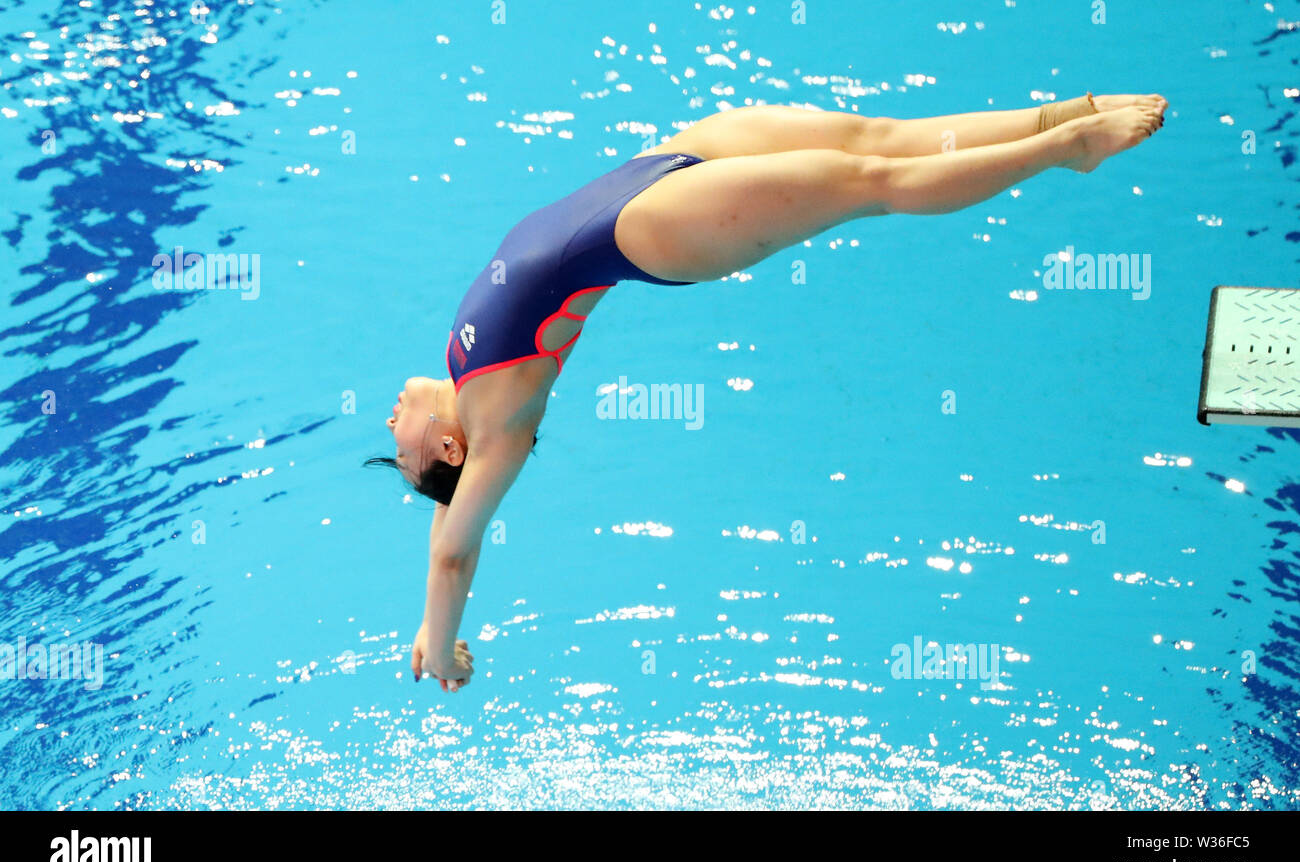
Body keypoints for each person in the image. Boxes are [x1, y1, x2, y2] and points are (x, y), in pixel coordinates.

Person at [367, 92, 1168, 692]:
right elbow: (455, 545)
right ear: (447, 446)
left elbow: (446, 515)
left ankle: (1063, 114)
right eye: (398, 452)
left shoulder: (461, 377)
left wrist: (427, 619)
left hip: (663, 165)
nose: (386, 422)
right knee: (874, 180)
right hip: (657, 229)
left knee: (875, 138)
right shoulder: (497, 422)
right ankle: (1070, 147)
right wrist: (441, 649)